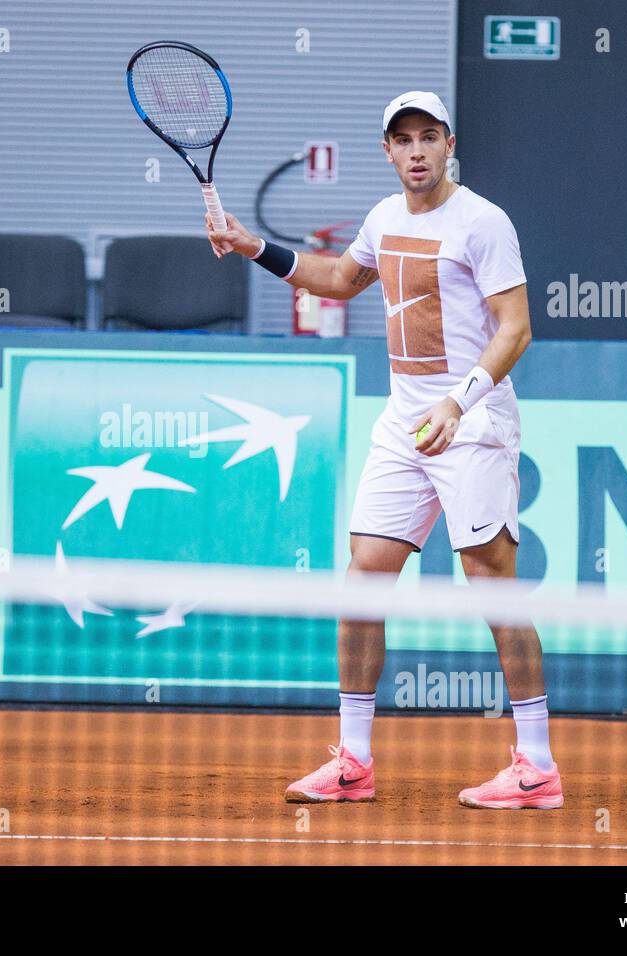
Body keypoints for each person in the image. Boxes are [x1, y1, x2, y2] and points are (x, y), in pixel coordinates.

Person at [206, 91, 562, 809]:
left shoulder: (484, 222)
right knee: (363, 578)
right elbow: (339, 280)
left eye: (429, 137)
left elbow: (516, 328)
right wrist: (253, 247)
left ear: (450, 143)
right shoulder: (382, 217)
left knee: (494, 587)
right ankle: (354, 761)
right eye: (404, 140)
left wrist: (458, 403)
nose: (418, 151)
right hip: (403, 422)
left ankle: (537, 765)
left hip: (473, 421)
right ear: (389, 151)